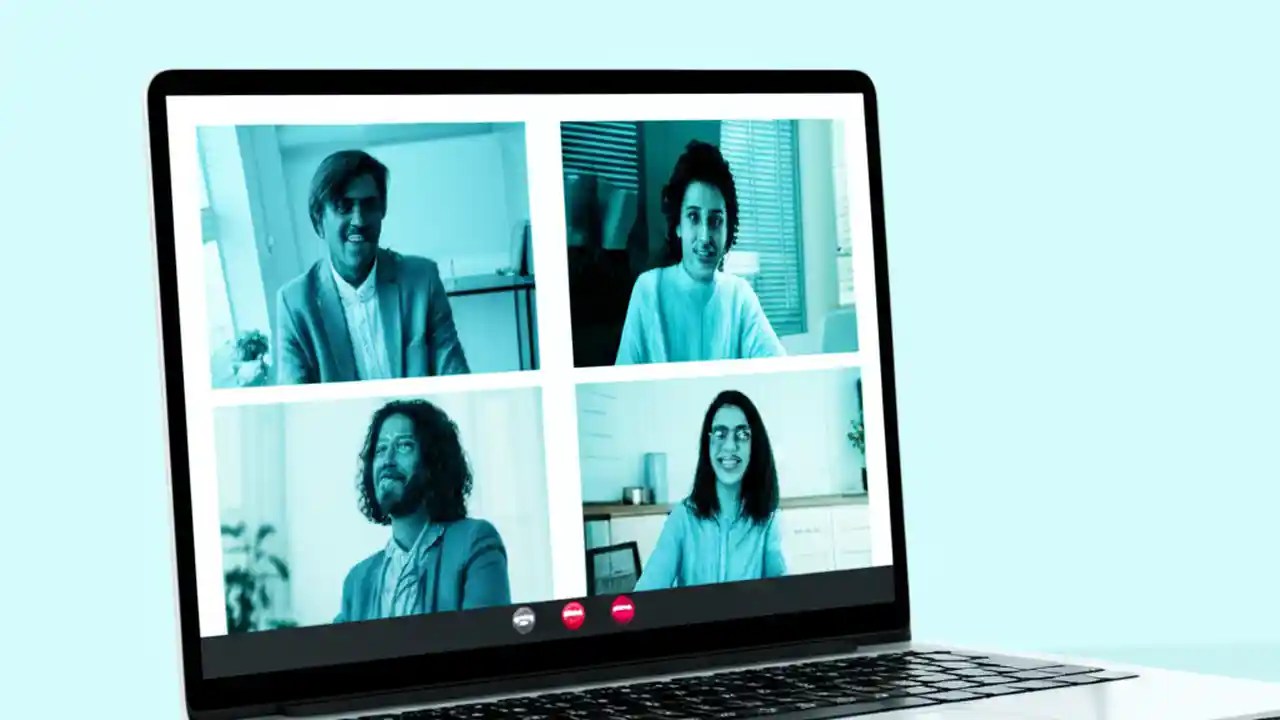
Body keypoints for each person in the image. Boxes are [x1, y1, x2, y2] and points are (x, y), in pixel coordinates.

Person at [274, 150, 470, 385]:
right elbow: (298, 407)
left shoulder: (421, 281)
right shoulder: (295, 304)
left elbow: (456, 380)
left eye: (369, 206)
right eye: (343, 207)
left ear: (382, 211)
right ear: (319, 222)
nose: (359, 220)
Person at [335, 399, 510, 623]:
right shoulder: (357, 582)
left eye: (404, 445)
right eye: (380, 449)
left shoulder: (474, 542)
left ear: (432, 461)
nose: (387, 460)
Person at [614, 140, 786, 365]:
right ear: (678, 225)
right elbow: (624, 388)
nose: (705, 237)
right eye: (694, 217)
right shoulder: (649, 290)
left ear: (727, 228)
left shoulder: (739, 296)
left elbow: (779, 369)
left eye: (715, 220)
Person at [633, 390, 787, 591]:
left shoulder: (769, 521)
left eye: (742, 434)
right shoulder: (683, 518)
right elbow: (646, 592)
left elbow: (784, 591)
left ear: (754, 445)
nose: (730, 446)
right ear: (707, 444)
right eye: (720, 434)